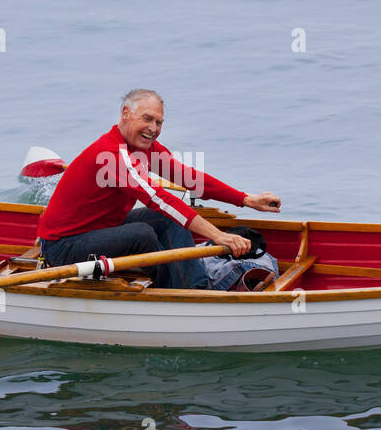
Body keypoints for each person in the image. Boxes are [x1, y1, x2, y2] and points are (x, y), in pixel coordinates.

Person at [36, 89, 282, 289]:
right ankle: (174, 294)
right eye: (147, 119)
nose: (153, 128)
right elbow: (158, 197)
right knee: (142, 233)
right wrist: (218, 235)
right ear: (125, 114)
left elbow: (189, 177)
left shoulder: (145, 148)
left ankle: (196, 287)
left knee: (165, 217)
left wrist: (246, 199)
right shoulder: (111, 154)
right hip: (63, 246)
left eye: (158, 122)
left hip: (102, 229)